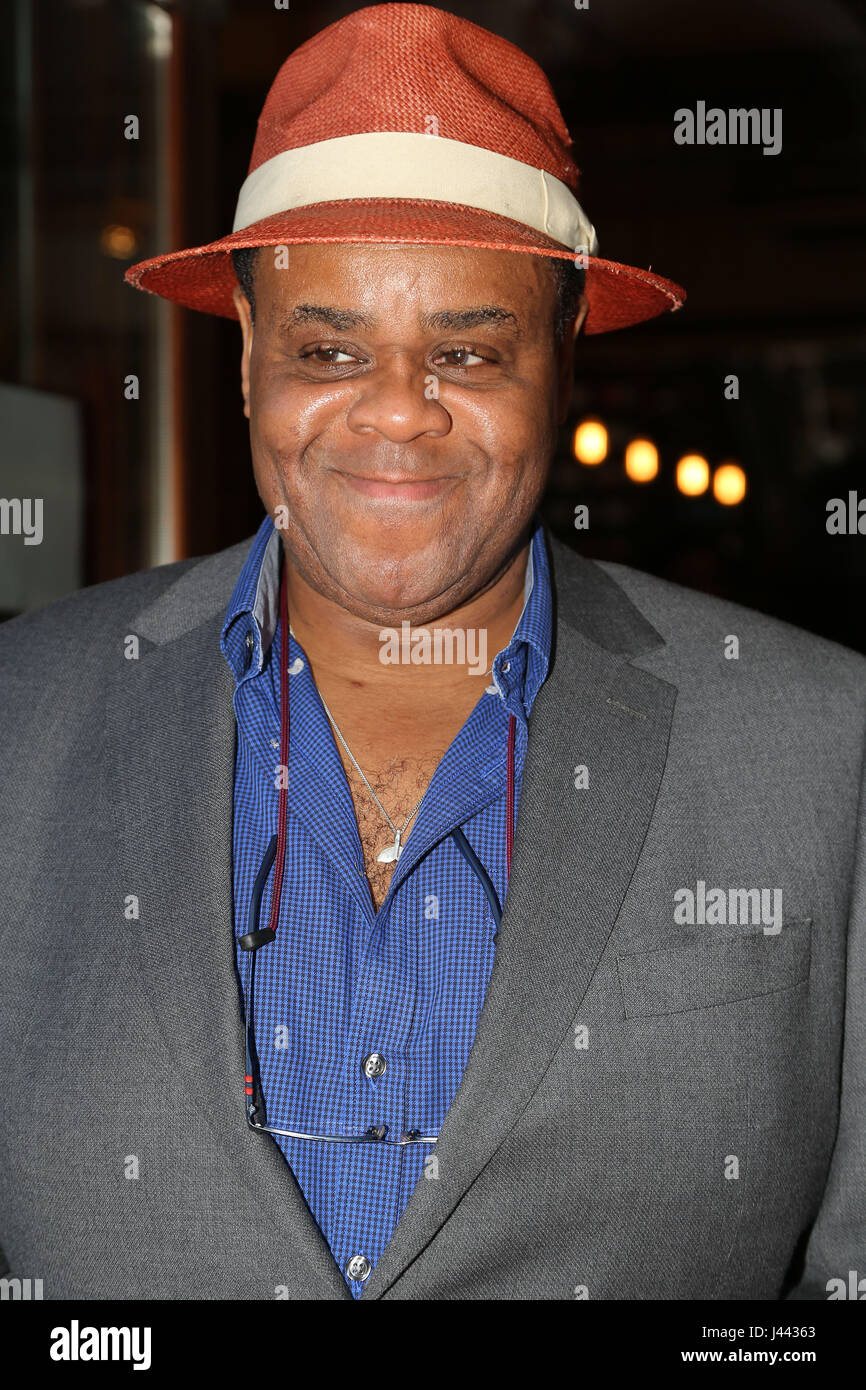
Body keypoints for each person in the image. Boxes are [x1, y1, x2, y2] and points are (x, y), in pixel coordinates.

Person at [0, 3, 862, 1302]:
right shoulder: (19, 719)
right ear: (245, 361)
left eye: (465, 348)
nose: (398, 408)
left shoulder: (821, 742)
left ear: (562, 358)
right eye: (328, 348)